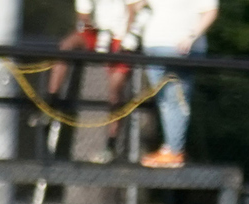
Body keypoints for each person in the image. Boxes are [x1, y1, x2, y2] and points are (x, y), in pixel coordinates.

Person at [44, 0, 141, 161]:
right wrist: (90, 26)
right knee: (66, 46)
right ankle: (50, 102)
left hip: (121, 37)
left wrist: (124, 41)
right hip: (97, 33)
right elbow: (83, 15)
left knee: (115, 87)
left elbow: (132, 12)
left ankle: (111, 143)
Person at [135, 0, 219, 168]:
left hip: (180, 48)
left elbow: (210, 11)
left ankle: (174, 151)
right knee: (165, 100)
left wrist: (191, 36)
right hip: (154, 46)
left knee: (176, 98)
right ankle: (171, 147)